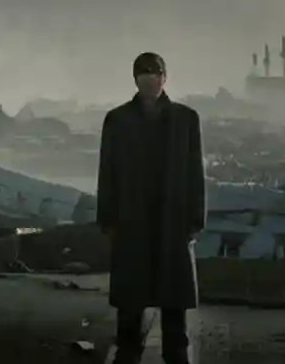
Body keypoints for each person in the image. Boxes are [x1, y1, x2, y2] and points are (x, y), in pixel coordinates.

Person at [96, 52, 206, 364]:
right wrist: (108, 219)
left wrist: (195, 219)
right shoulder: (116, 120)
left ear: (164, 77)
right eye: (143, 72)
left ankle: (176, 357)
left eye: (154, 72)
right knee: (130, 309)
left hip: (172, 219)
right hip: (132, 219)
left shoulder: (186, 120)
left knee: (174, 311)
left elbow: (195, 173)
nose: (149, 78)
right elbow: (107, 172)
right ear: (135, 79)